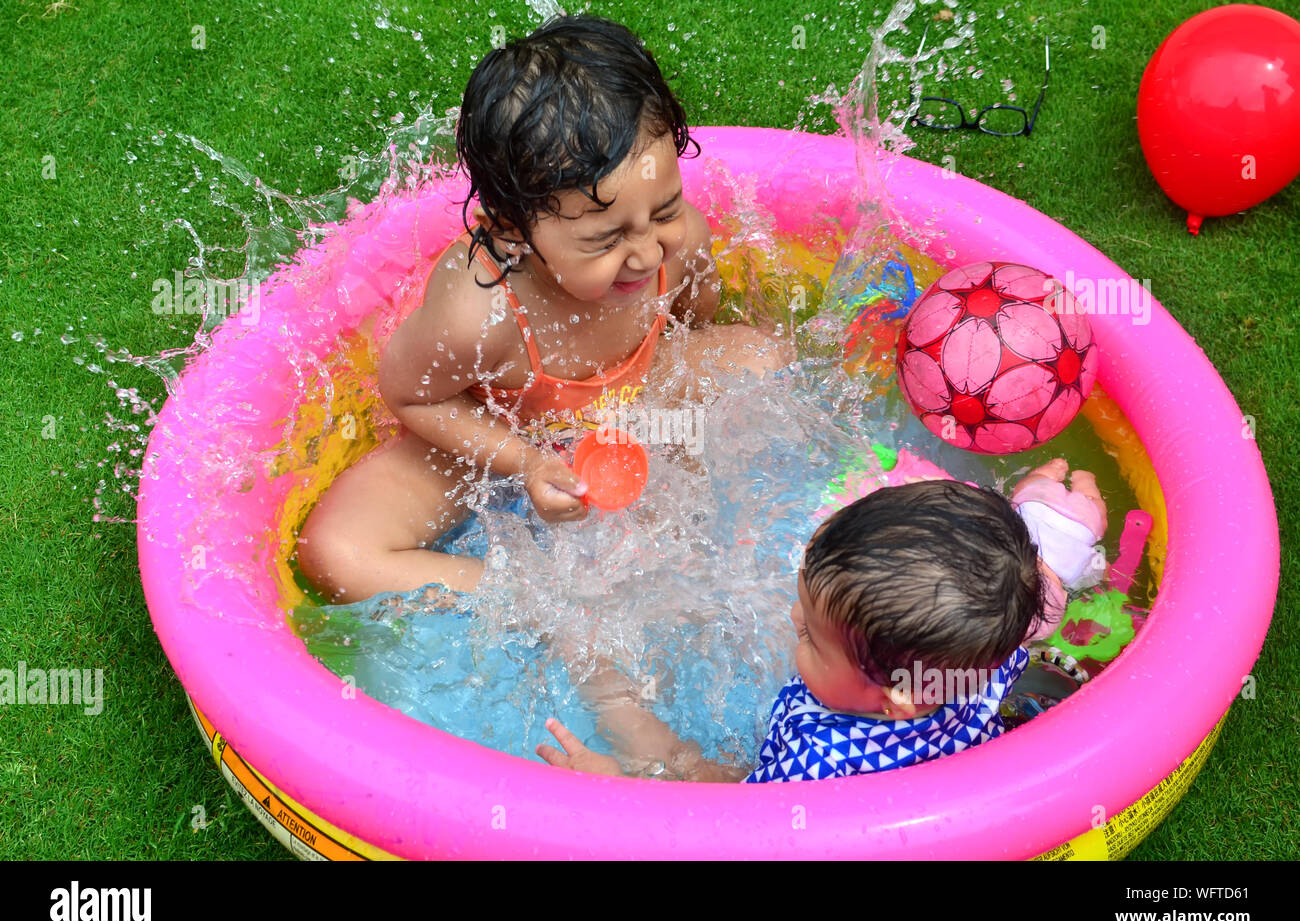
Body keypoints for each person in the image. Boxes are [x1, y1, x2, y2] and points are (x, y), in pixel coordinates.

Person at [297, 15, 789, 605]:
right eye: (606, 241)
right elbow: (411, 395)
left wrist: (676, 428)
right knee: (335, 552)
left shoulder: (679, 246)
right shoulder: (479, 313)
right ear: (513, 231)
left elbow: (696, 326)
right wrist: (526, 463)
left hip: (634, 396)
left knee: (768, 358)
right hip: (503, 426)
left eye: (664, 210)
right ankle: (530, 600)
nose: (647, 251)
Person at [537, 461, 1109, 782]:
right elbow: (1029, 587)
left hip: (765, 806)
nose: (792, 620)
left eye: (811, 633)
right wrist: (1057, 523)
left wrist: (616, 791)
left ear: (898, 698)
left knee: (670, 756)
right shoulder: (989, 645)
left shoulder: (815, 767)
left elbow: (725, 839)